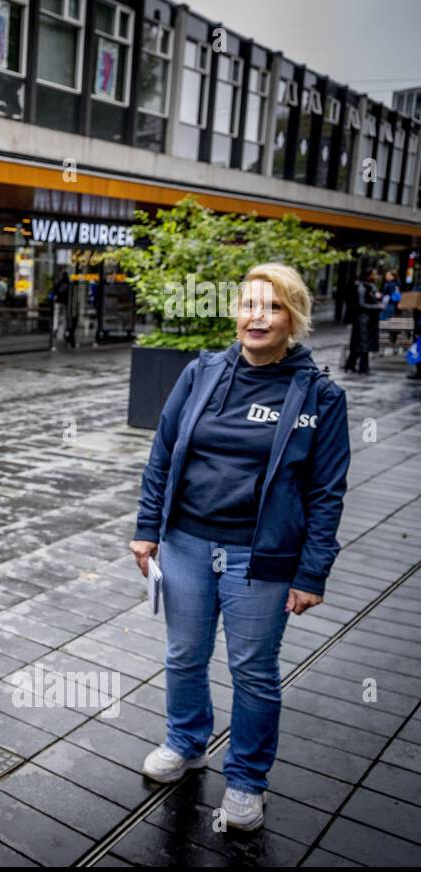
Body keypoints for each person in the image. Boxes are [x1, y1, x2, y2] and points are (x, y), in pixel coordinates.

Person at [129, 263, 350, 832]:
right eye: (250, 304)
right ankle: (186, 742)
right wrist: (147, 527)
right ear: (235, 312)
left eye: (273, 307)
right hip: (186, 544)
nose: (258, 316)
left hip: (263, 556)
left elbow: (327, 492)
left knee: (253, 671)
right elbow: (163, 452)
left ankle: (248, 779)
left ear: (293, 317)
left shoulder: (320, 397)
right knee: (184, 655)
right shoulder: (200, 373)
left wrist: (312, 573)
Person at [344, 267, 383, 374]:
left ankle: (350, 366)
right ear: (368, 275)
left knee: (360, 345)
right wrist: (378, 307)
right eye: (374, 274)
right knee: (362, 344)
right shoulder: (361, 287)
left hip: (368, 320)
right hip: (362, 320)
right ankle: (362, 368)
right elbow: (360, 304)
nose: (376, 276)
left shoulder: (370, 286)